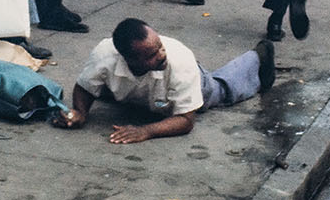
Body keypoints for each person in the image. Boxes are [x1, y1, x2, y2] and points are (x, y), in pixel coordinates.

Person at [58, 18, 275, 144]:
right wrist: (80, 112)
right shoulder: (105, 54)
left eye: (160, 46)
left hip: (183, 87)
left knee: (221, 89)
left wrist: (145, 131)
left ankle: (257, 57)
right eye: (152, 54)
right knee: (104, 88)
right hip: (141, 94)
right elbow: (84, 86)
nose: (162, 54)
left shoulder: (179, 60)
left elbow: (186, 121)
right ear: (128, 58)